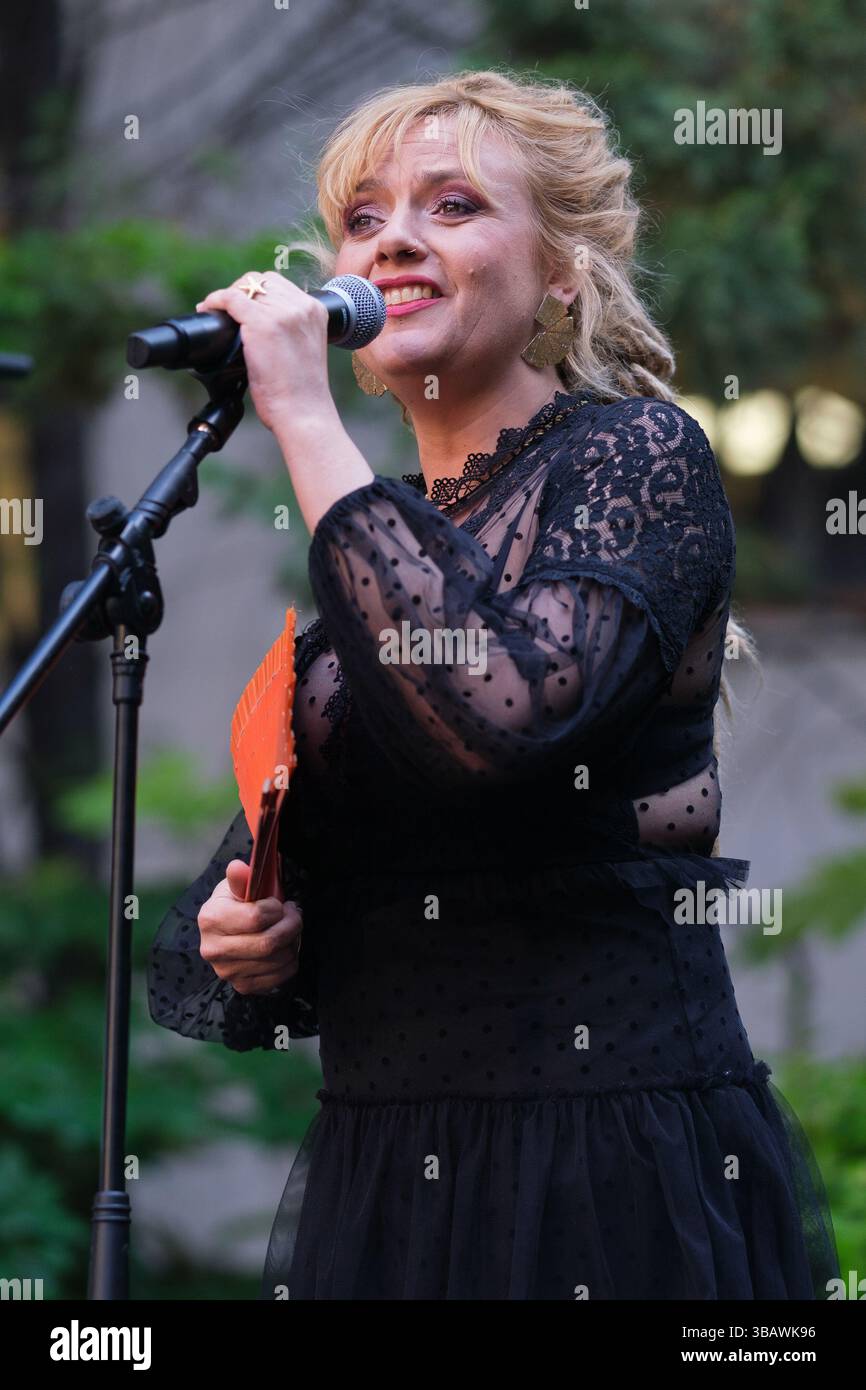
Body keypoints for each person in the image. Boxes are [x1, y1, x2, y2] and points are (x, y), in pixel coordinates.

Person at [148, 70, 839, 1300]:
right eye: (363, 218)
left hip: (602, 1162)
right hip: (390, 1178)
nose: (393, 238)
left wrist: (305, 420)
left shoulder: (635, 457)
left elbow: (497, 720)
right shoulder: (377, 554)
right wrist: (255, 935)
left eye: (453, 204)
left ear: (561, 271)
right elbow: (241, 903)